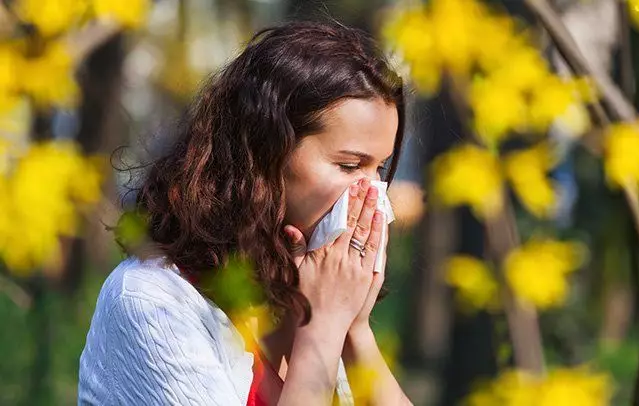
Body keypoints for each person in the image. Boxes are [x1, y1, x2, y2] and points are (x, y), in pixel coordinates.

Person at [78, 20, 412, 405]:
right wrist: (322, 329)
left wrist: (354, 328)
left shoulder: (305, 290)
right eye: (351, 167)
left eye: (380, 170)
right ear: (267, 154)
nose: (373, 196)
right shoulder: (152, 302)